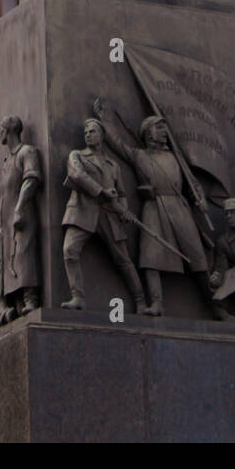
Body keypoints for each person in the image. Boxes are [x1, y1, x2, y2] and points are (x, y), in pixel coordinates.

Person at [94, 100, 215, 316]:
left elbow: (192, 182)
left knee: (197, 258)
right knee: (150, 257)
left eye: (164, 128)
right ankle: (157, 303)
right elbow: (117, 143)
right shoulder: (140, 155)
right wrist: (104, 120)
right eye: (159, 128)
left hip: (179, 207)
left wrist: (201, 200)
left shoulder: (175, 156)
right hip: (154, 207)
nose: (164, 132)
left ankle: (215, 306)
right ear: (148, 134)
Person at [61, 118, 145, 312]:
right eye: (86, 133)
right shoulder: (77, 156)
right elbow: (77, 175)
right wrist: (102, 192)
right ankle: (78, 297)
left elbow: (122, 193)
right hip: (83, 210)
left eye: (92, 132)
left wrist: (124, 210)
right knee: (69, 250)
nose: (88, 135)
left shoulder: (113, 165)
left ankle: (140, 301)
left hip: (109, 214)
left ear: (102, 136)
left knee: (123, 260)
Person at [0, 116, 42, 314]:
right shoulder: (7, 160)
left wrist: (19, 208)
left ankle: (31, 299)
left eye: (1, 129)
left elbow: (31, 180)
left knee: (24, 252)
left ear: (10, 131)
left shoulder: (26, 152)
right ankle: (17, 303)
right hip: (6, 216)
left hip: (21, 211)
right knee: (10, 258)